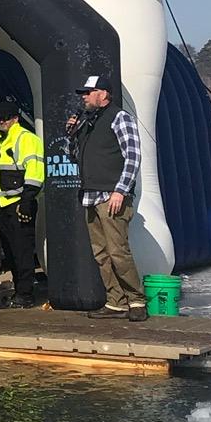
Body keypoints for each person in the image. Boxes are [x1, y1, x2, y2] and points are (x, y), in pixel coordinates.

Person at [65, 75, 146, 318]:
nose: (84, 96)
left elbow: (133, 156)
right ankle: (115, 301)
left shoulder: (119, 117)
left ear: (104, 94)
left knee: (117, 251)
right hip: (90, 195)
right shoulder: (87, 121)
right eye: (83, 92)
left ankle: (137, 301)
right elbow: (73, 156)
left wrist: (121, 190)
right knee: (101, 253)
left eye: (89, 92)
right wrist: (71, 134)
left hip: (111, 195)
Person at [0, 98, 45, 306]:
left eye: (6, 118)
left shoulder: (26, 138)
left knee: (22, 250)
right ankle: (18, 290)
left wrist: (27, 200)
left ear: (15, 118)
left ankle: (26, 294)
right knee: (10, 252)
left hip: (20, 202)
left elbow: (35, 171)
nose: (2, 122)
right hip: (3, 205)